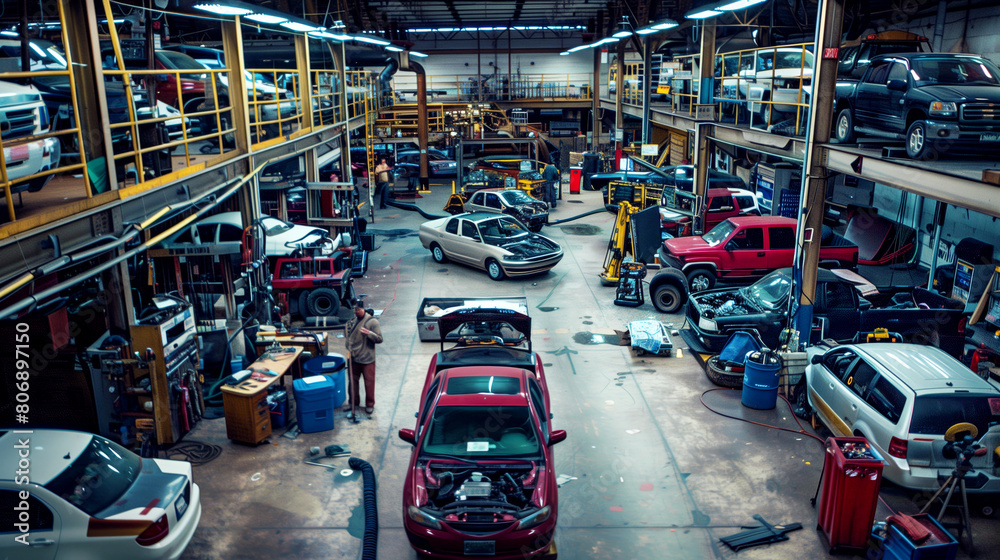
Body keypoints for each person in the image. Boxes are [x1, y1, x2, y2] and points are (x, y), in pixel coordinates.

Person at [344, 301, 382, 416]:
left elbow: (379, 339)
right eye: (355, 310)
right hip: (354, 358)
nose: (357, 312)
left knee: (369, 382)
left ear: (363, 309)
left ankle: (370, 404)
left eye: (359, 309)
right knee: (352, 382)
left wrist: (369, 333)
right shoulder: (350, 323)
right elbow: (347, 338)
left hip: (367, 359)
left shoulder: (372, 322)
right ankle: (353, 403)